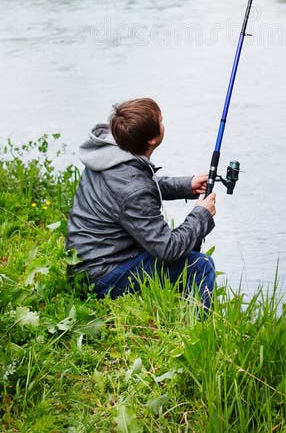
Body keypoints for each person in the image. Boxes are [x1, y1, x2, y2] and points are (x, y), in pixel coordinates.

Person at [66, 97, 217, 311]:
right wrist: (202, 214)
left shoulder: (109, 151)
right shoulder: (133, 187)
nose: (164, 122)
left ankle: (175, 306)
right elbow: (168, 249)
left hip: (83, 266)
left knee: (183, 249)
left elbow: (135, 191)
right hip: (101, 278)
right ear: (152, 140)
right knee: (201, 266)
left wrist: (186, 185)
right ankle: (200, 330)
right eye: (161, 121)